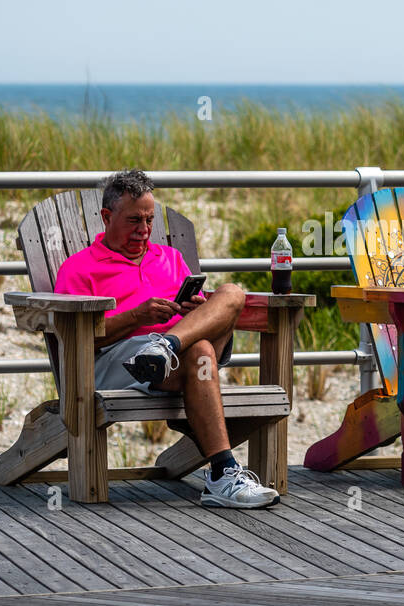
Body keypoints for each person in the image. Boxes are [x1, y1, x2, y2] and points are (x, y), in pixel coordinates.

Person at [54, 169, 280, 509]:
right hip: (118, 362)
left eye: (148, 220)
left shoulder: (170, 257)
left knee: (232, 293)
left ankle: (167, 347)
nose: (143, 231)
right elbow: (76, 339)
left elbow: (206, 312)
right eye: (133, 221)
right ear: (106, 217)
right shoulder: (79, 268)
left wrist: (197, 310)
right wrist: (138, 316)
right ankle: (223, 474)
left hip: (176, 357)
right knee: (201, 349)